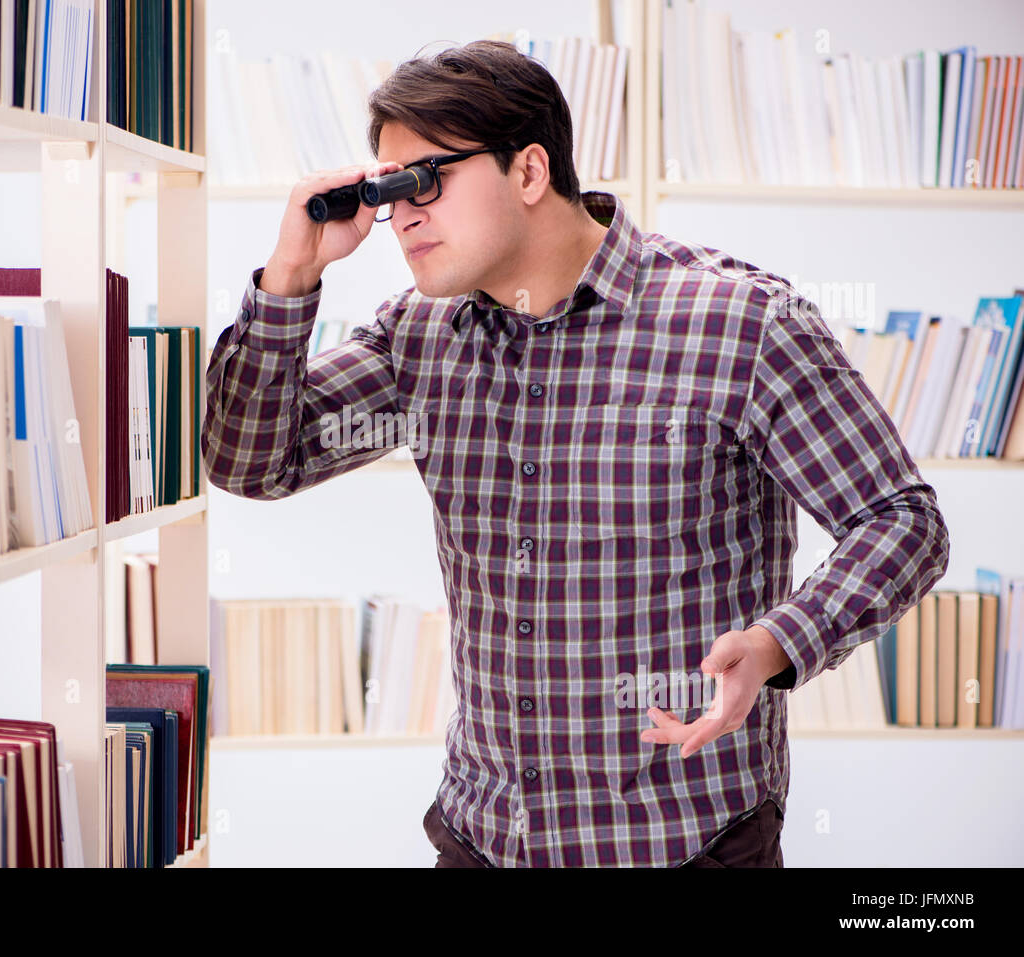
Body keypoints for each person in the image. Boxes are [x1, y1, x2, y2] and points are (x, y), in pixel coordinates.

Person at [200, 39, 951, 867]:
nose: (400, 215)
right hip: (481, 839)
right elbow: (251, 461)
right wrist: (292, 271)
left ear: (528, 172)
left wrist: (780, 641)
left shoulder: (741, 325)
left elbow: (901, 521)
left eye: (426, 181)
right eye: (385, 192)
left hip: (684, 844)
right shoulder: (419, 339)